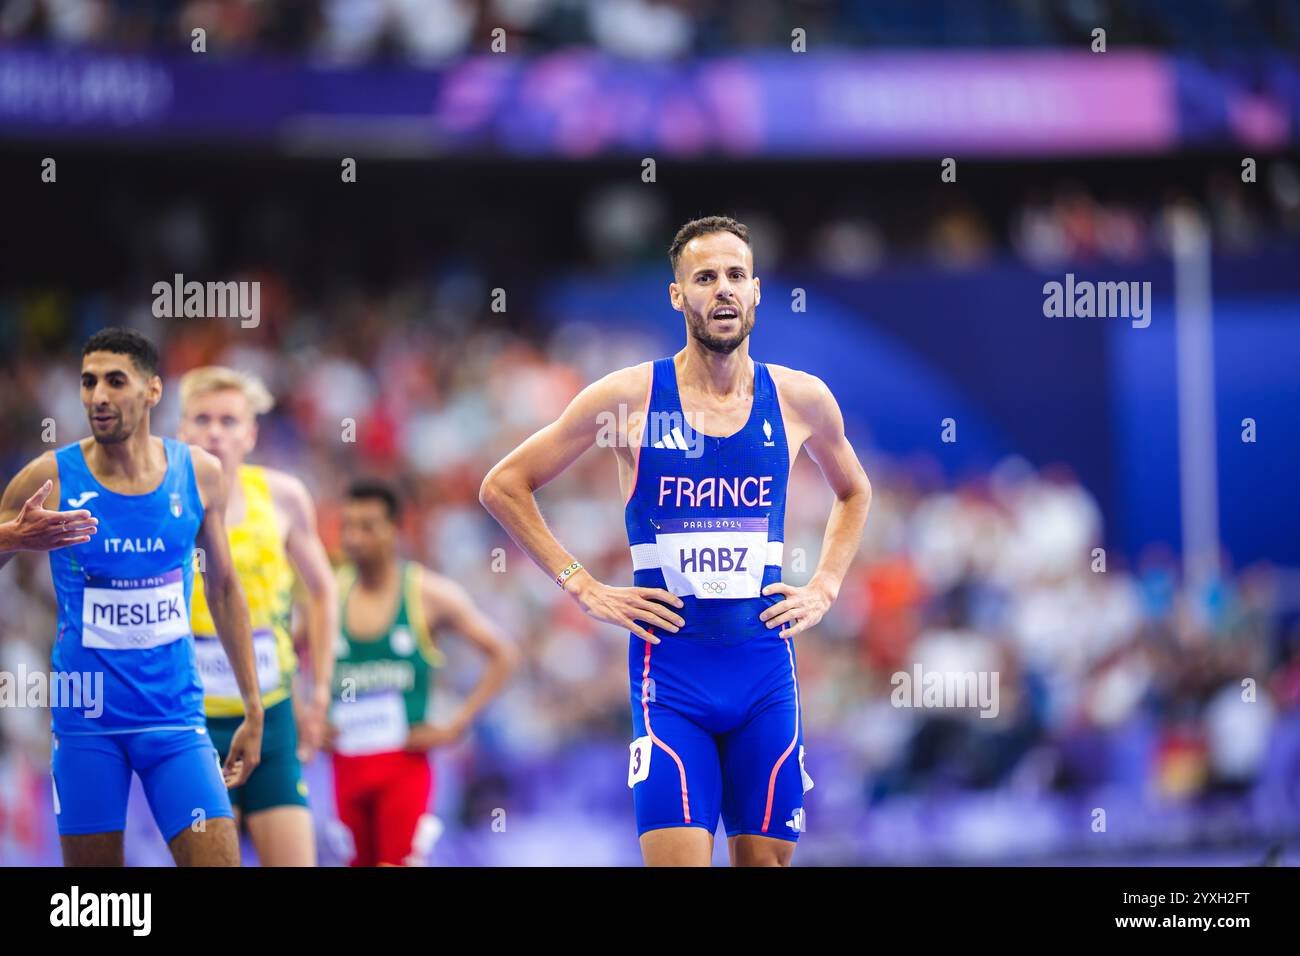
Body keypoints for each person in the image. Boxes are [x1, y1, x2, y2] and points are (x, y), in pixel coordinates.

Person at [480, 216, 872, 866]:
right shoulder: (629, 398)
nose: (723, 291)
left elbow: (854, 491)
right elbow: (504, 484)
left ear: (756, 292)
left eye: (736, 276)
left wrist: (827, 582)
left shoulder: (802, 400)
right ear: (677, 294)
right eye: (706, 277)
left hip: (765, 674)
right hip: (672, 680)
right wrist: (581, 584)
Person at [0, 328, 262, 866]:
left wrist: (253, 707)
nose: (98, 395)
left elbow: (224, 587)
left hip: (175, 720)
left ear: (152, 392)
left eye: (115, 381)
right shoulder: (49, 476)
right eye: (88, 382)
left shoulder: (199, 474)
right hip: (86, 723)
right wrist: (12, 538)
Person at [178, 365, 338, 866]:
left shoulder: (283, 496)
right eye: (202, 419)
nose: (214, 431)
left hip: (272, 713)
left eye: (229, 420)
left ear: (251, 433)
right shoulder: (164, 500)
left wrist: (319, 694)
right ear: (181, 430)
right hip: (193, 720)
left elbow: (323, 591)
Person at [329, 481, 518, 866]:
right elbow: (283, 651)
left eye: (367, 526)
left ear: (396, 529)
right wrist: (307, 714)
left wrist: (456, 725)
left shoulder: (428, 595)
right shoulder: (328, 596)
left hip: (404, 766)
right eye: (348, 526)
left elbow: (503, 654)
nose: (354, 538)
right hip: (345, 766)